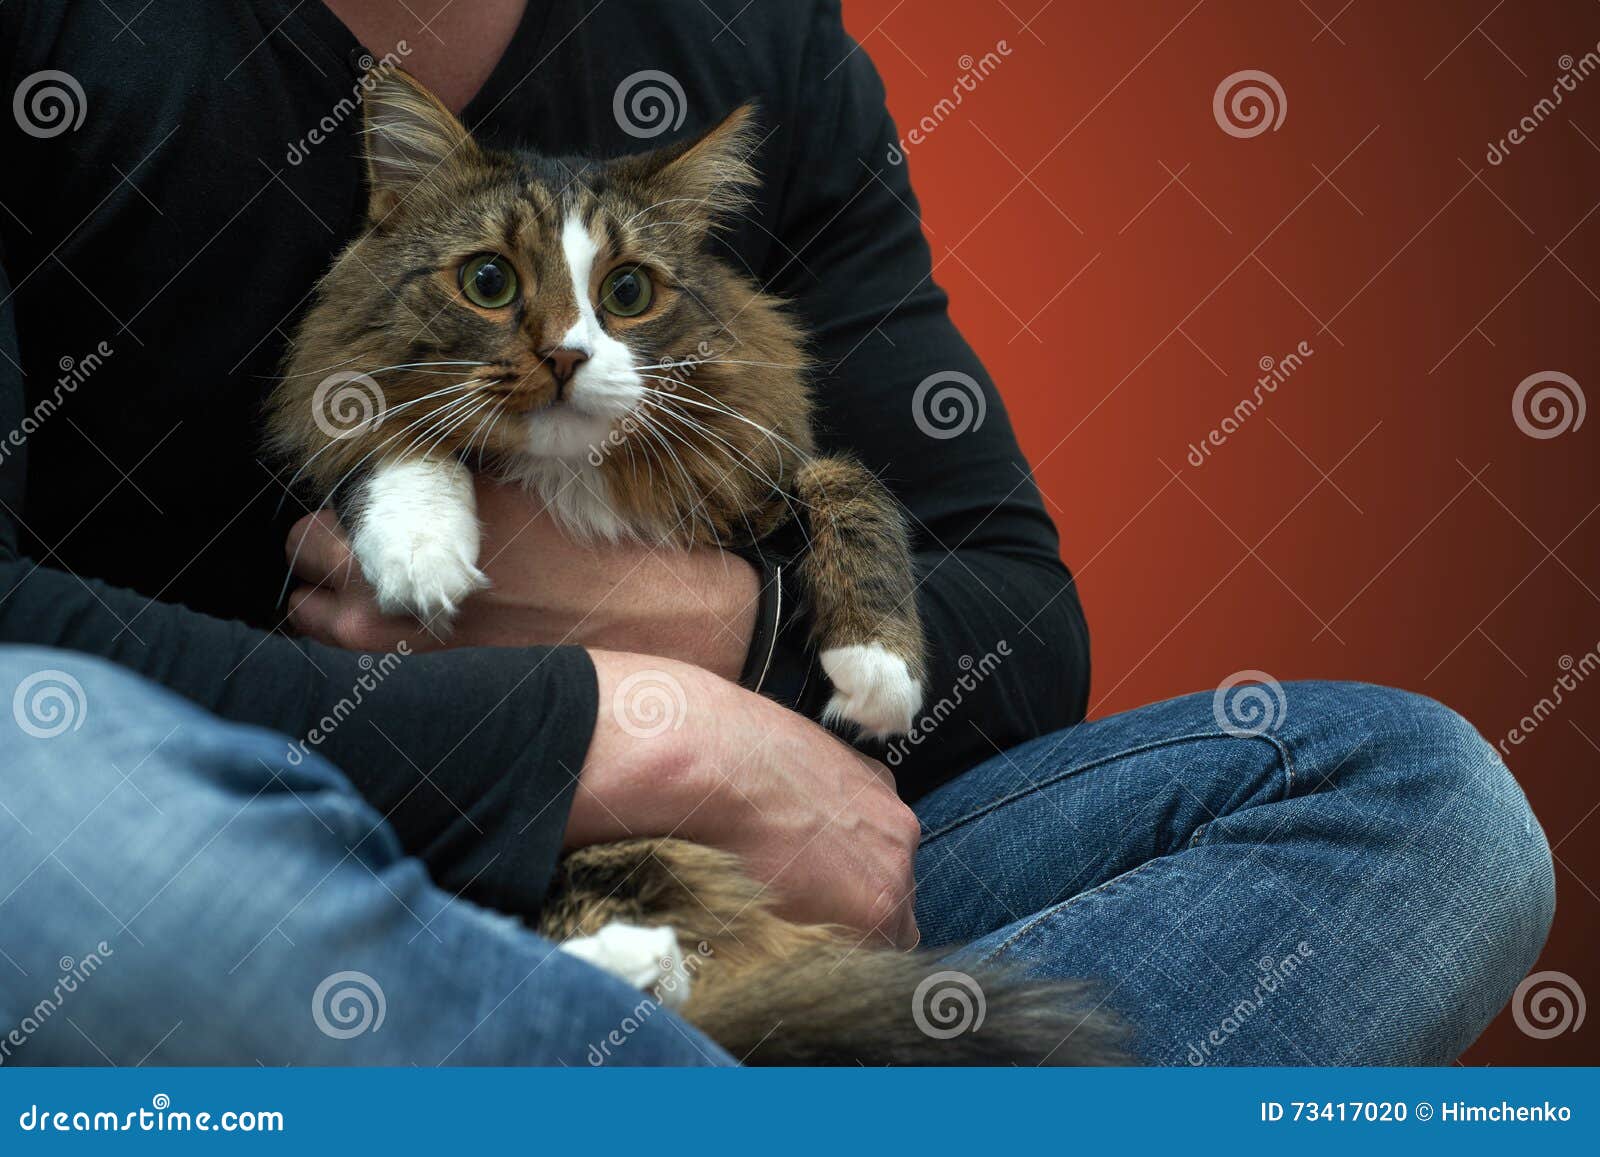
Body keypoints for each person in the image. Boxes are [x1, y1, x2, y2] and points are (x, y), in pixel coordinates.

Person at [0, 1, 1552, 1065]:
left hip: (742, 904)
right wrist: (611, 727)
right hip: (252, 890)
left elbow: (1012, 617)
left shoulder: (759, 46)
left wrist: (704, 635)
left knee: (1417, 799)